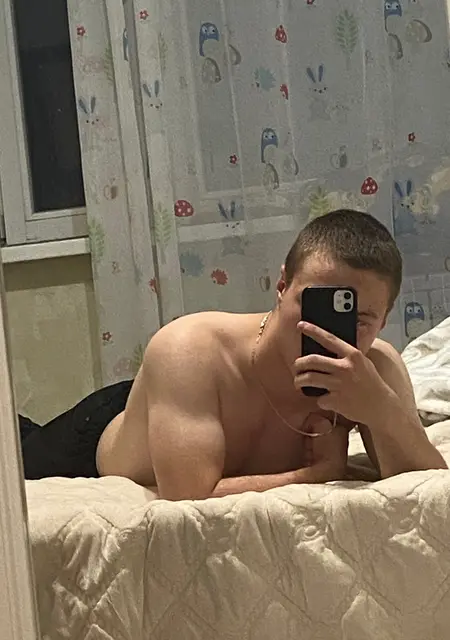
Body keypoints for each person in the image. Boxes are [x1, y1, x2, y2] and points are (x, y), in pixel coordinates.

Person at [22, 210, 446, 498]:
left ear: (385, 319)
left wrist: (381, 410)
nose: (329, 331)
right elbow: (189, 496)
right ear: (282, 286)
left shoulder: (376, 370)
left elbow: (430, 489)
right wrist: (314, 476)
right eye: (317, 305)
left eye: (362, 318)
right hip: (106, 435)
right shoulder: (190, 348)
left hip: (188, 406)